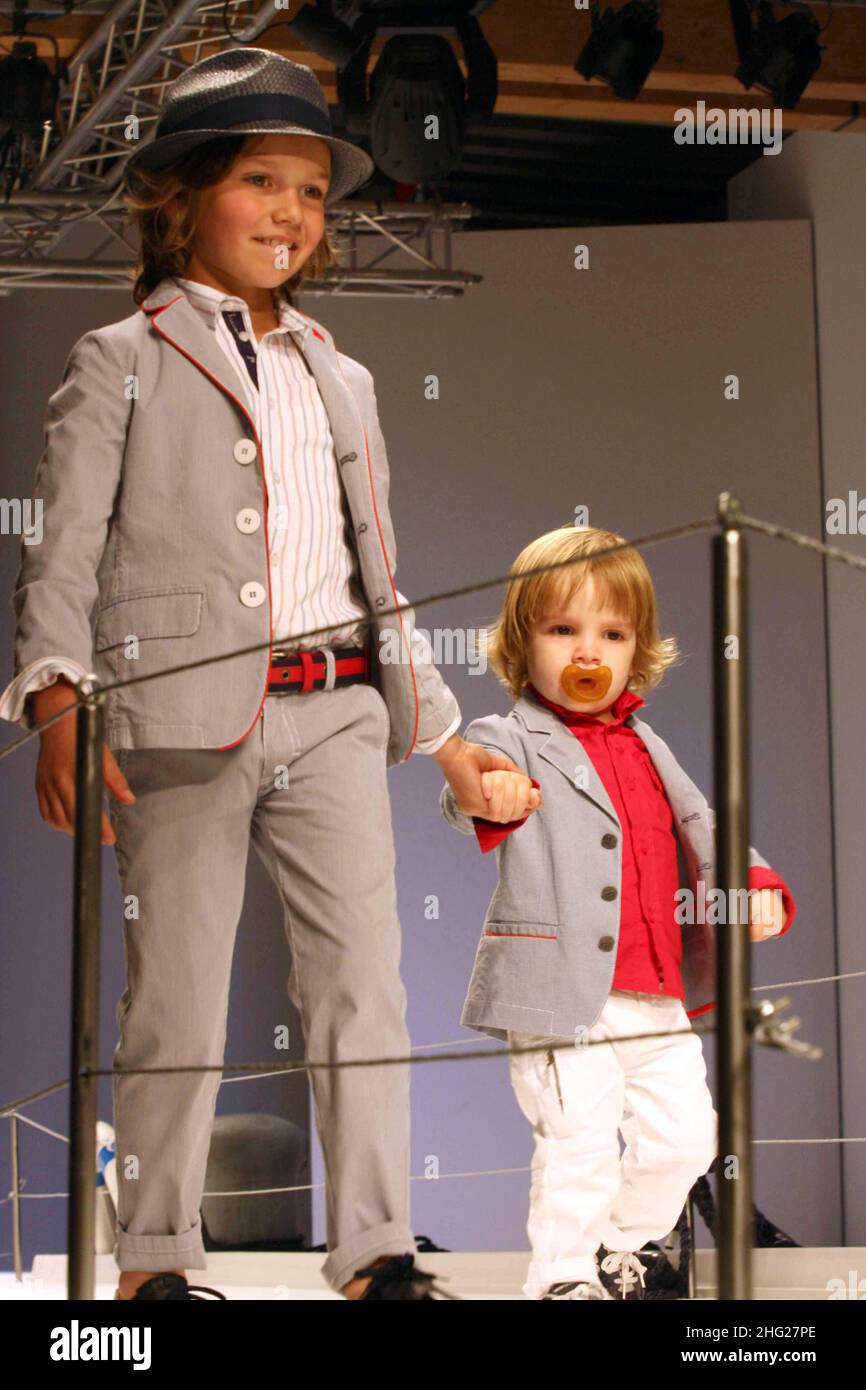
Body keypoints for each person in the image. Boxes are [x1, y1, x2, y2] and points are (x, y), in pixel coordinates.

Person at [0, 48, 539, 1302]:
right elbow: (65, 545)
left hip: (338, 709)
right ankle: (155, 1260)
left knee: (365, 992)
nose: (292, 211)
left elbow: (377, 574)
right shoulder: (117, 358)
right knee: (175, 1001)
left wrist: (443, 733)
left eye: (311, 188)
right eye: (260, 179)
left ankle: (374, 1250)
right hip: (183, 715)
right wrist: (56, 694)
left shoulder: (338, 377)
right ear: (185, 195)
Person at [440, 523, 797, 1300]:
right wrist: (488, 788)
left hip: (656, 994)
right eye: (562, 631)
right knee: (578, 1146)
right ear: (520, 643)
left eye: (611, 632)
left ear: (639, 647)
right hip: (564, 999)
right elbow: (471, 784)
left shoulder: (646, 743)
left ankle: (614, 1243)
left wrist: (755, 882)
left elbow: (703, 825)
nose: (588, 652)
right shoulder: (510, 737)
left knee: (686, 1143)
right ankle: (562, 1280)